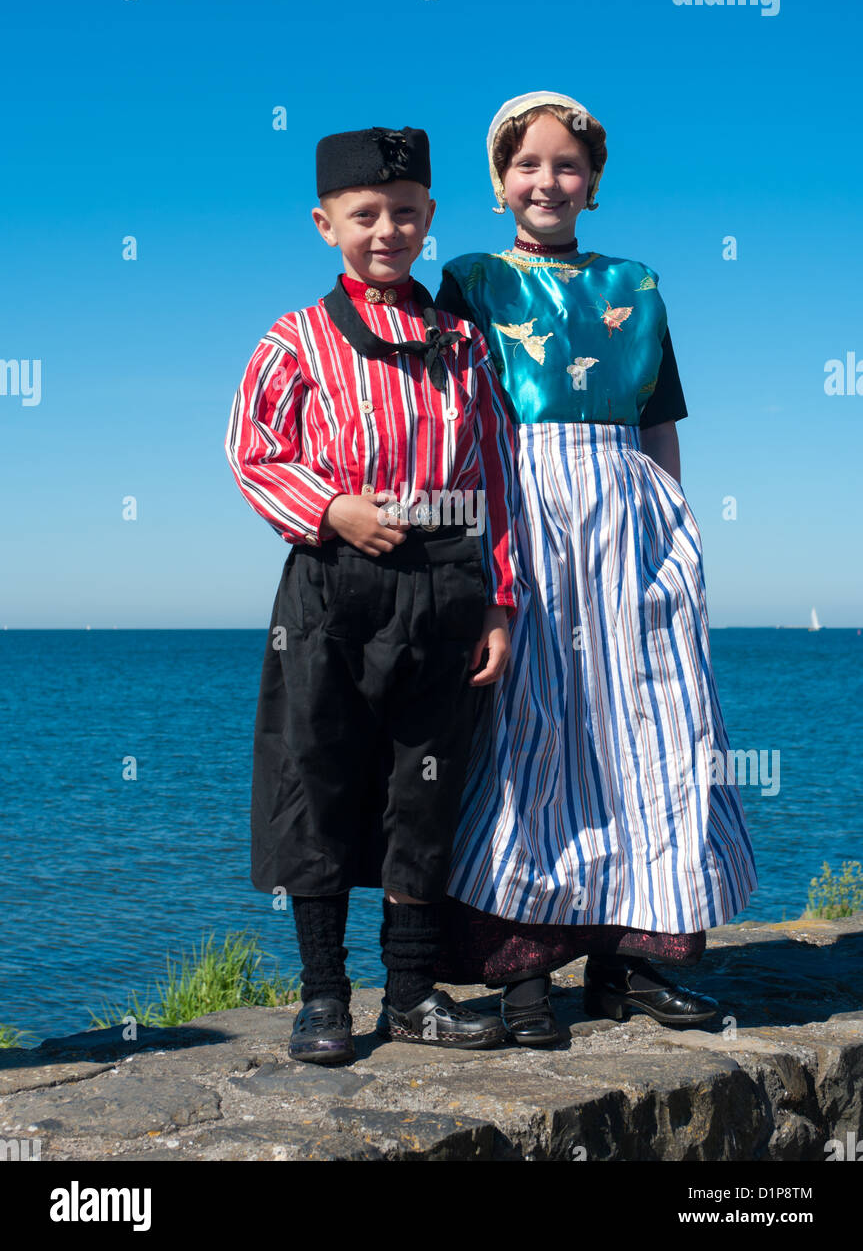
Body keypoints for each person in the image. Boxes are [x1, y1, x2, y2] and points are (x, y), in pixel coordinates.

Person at [434, 92, 758, 1045]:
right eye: (526, 165)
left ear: (594, 183)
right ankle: (523, 969)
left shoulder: (636, 283)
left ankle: (629, 965)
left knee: (647, 732)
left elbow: (655, 419)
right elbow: (460, 417)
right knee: (531, 732)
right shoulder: (473, 281)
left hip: (629, 518)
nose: (547, 181)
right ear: (498, 184)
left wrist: (679, 537)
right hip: (525, 512)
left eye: (566, 165)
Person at [225, 125, 521, 1064]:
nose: (385, 231)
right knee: (315, 778)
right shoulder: (295, 338)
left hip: (445, 583)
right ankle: (323, 997)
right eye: (364, 215)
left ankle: (410, 994)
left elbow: (499, 479)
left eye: (403, 214)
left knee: (423, 790)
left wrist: (501, 604)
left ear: (429, 217)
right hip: (332, 585)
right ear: (326, 224)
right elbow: (252, 450)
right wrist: (332, 510)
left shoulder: (466, 345)